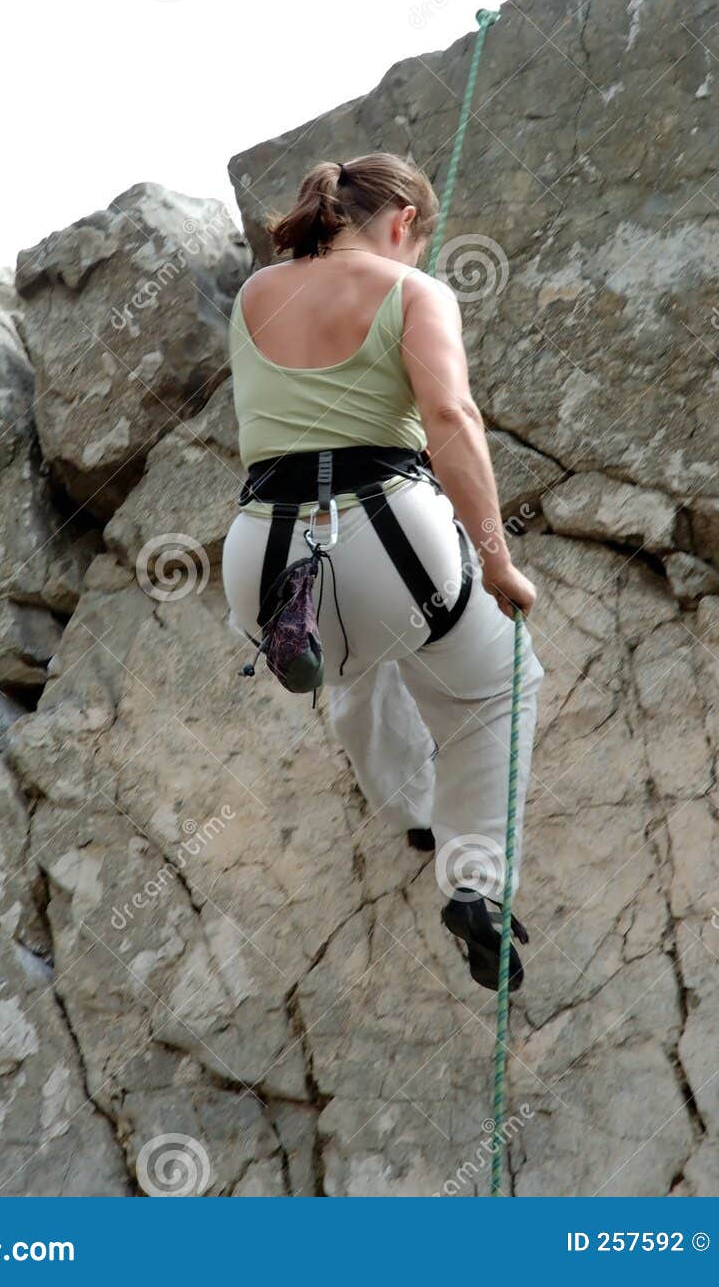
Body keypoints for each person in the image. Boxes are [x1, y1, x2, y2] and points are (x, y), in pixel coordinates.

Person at [222, 153, 543, 991]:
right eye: (416, 243)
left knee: (361, 664)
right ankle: (474, 882)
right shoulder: (416, 293)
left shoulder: (255, 294)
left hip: (261, 551)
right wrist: (498, 561)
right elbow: (449, 417)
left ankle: (415, 812)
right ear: (403, 222)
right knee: (498, 688)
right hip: (386, 529)